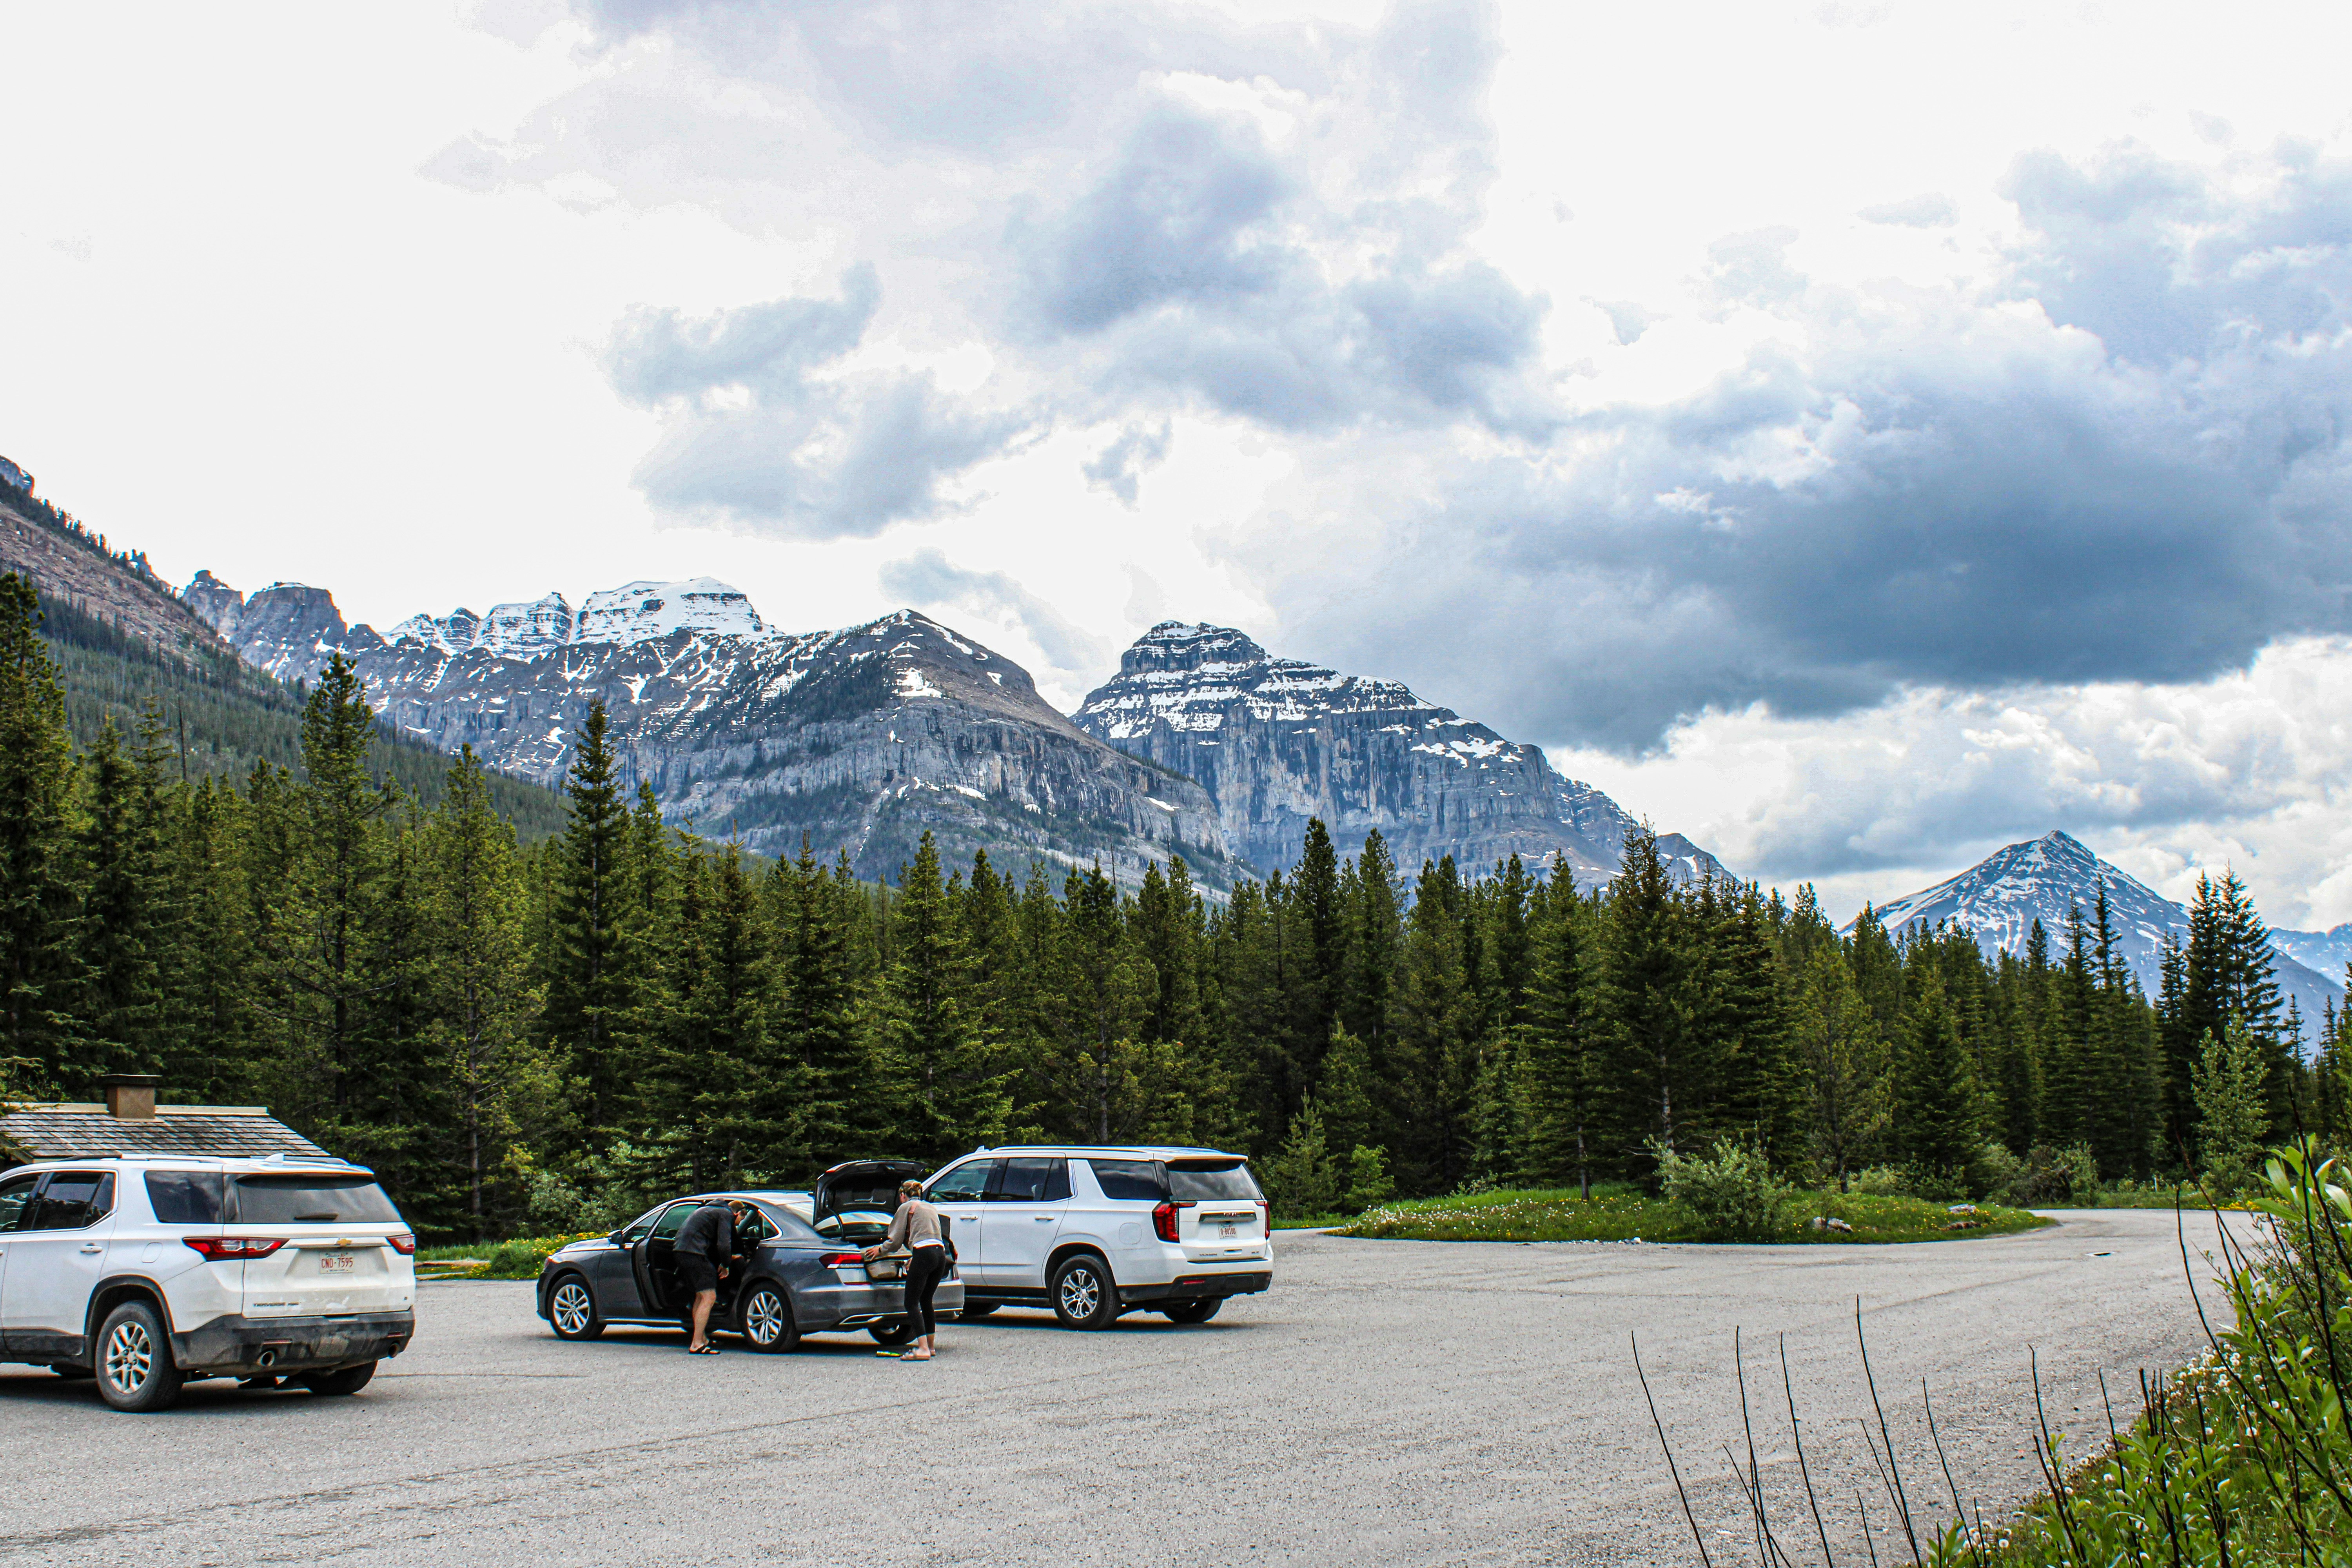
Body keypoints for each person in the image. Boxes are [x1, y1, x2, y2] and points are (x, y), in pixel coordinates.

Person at [862, 1179, 947, 1362]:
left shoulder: (906, 1207)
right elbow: (930, 1237)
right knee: (926, 1300)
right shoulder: (929, 1207)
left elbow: (895, 1241)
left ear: (902, 1195)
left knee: (911, 1303)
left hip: (924, 1254)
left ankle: (922, 1349)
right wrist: (914, 1257)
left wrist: (880, 1250)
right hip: (940, 1254)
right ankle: (930, 1347)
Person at [676, 1198, 748, 1355]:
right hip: (694, 1253)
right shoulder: (725, 1214)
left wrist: (725, 1260)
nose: (737, 1225)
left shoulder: (709, 1210)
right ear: (736, 1213)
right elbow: (724, 1244)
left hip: (682, 1251)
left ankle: (702, 1339)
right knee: (709, 1297)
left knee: (700, 1297)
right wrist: (727, 1263)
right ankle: (696, 1344)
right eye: (740, 1220)